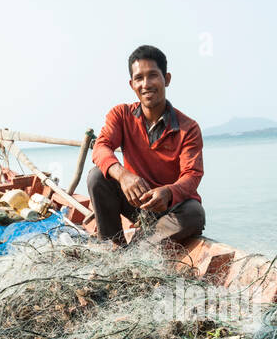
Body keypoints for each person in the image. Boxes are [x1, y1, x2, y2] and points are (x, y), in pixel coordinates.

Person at [88, 45, 205, 246]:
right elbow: (101, 147)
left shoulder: (189, 128)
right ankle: (112, 246)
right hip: (137, 203)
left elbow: (192, 176)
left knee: (194, 213)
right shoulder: (121, 115)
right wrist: (123, 175)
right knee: (97, 176)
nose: (146, 84)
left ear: (166, 79)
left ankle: (135, 251)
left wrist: (168, 192)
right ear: (132, 84)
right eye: (139, 78)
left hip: (170, 209)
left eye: (152, 76)